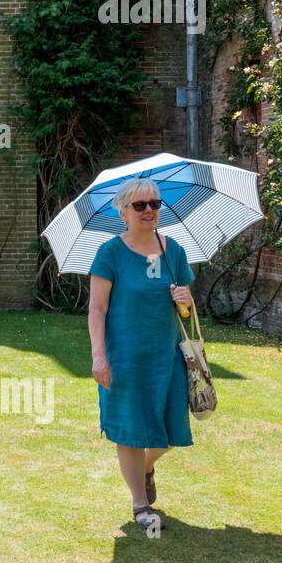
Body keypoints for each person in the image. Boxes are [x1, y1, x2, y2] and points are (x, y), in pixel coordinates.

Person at [87, 177, 195, 535]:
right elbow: (97, 309)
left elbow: (187, 311)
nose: (149, 210)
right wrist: (99, 356)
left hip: (166, 356)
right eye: (140, 205)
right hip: (125, 359)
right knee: (131, 432)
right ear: (123, 212)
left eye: (155, 204)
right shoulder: (110, 253)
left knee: (166, 434)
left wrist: (185, 300)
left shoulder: (172, 250)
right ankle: (140, 503)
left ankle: (147, 468)